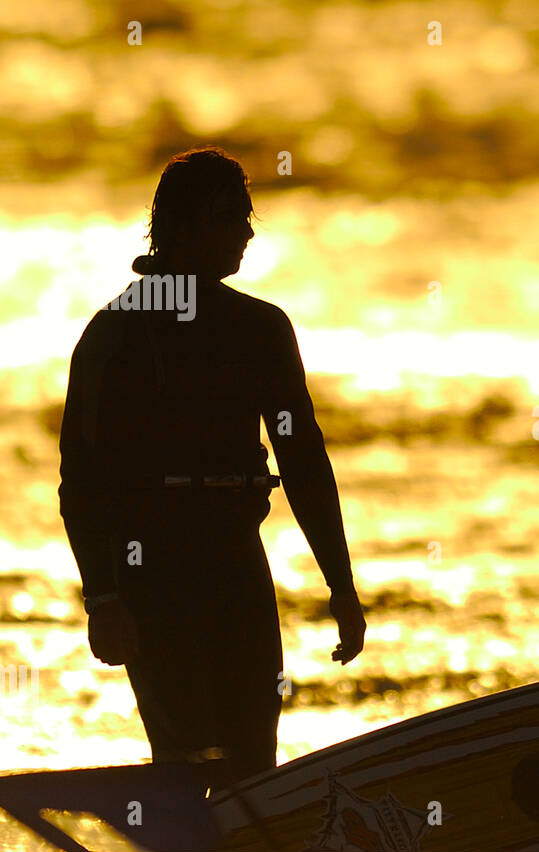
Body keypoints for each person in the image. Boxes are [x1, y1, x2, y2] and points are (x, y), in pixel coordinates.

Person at [58, 147, 366, 787]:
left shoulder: (259, 330)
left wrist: (341, 585)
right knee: (186, 765)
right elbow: (83, 482)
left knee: (254, 761)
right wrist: (104, 596)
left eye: (248, 216)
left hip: (235, 562)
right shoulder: (116, 337)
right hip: (153, 574)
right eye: (231, 218)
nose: (248, 233)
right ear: (183, 228)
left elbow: (302, 458)